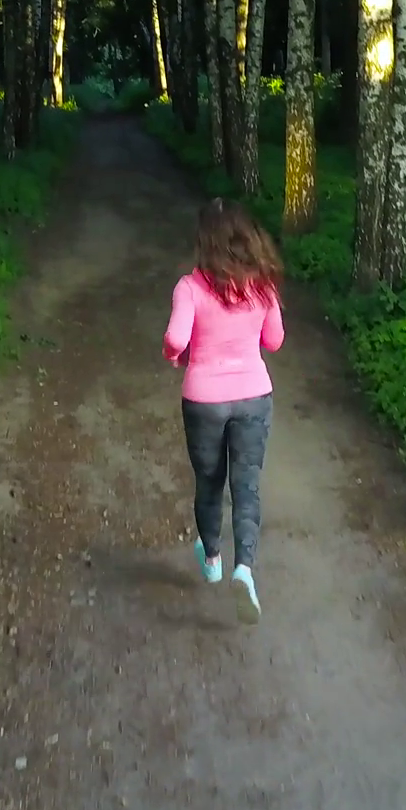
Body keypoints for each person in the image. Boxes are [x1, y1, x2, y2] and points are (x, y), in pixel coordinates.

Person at [162, 198, 285, 623]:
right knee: (246, 487)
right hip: (254, 395)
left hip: (204, 399)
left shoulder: (189, 287)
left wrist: (174, 354)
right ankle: (244, 571)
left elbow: (176, 339)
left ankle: (212, 559)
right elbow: (274, 341)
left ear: (206, 241)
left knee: (210, 481)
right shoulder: (262, 285)